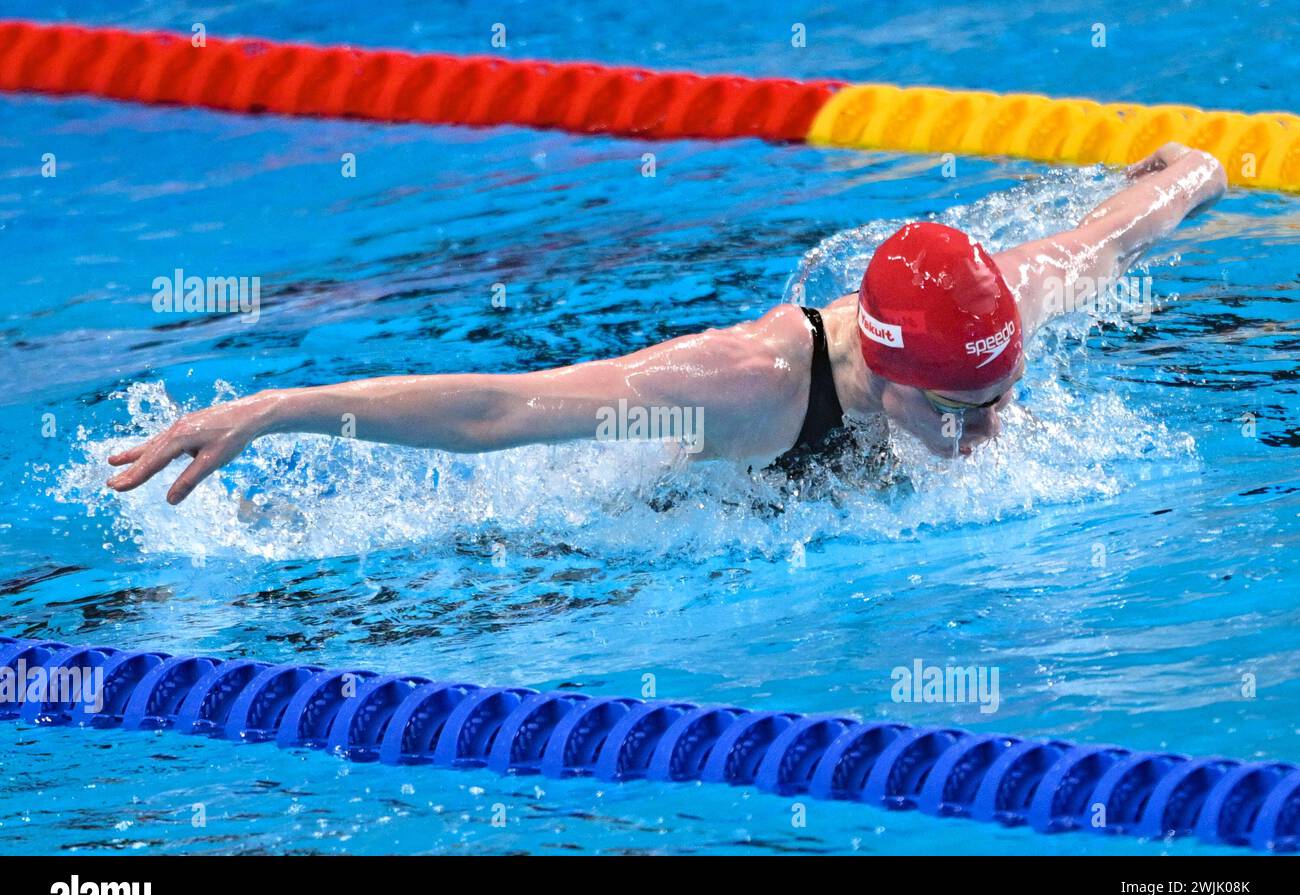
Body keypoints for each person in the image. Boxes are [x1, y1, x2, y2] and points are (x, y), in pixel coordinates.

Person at [107, 143, 1226, 505]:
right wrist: (277, 409)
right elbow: (500, 410)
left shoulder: (1000, 305)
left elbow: (1131, 219)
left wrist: (1197, 168)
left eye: (998, 401)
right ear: (883, 377)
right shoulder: (740, 386)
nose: (989, 437)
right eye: (958, 412)